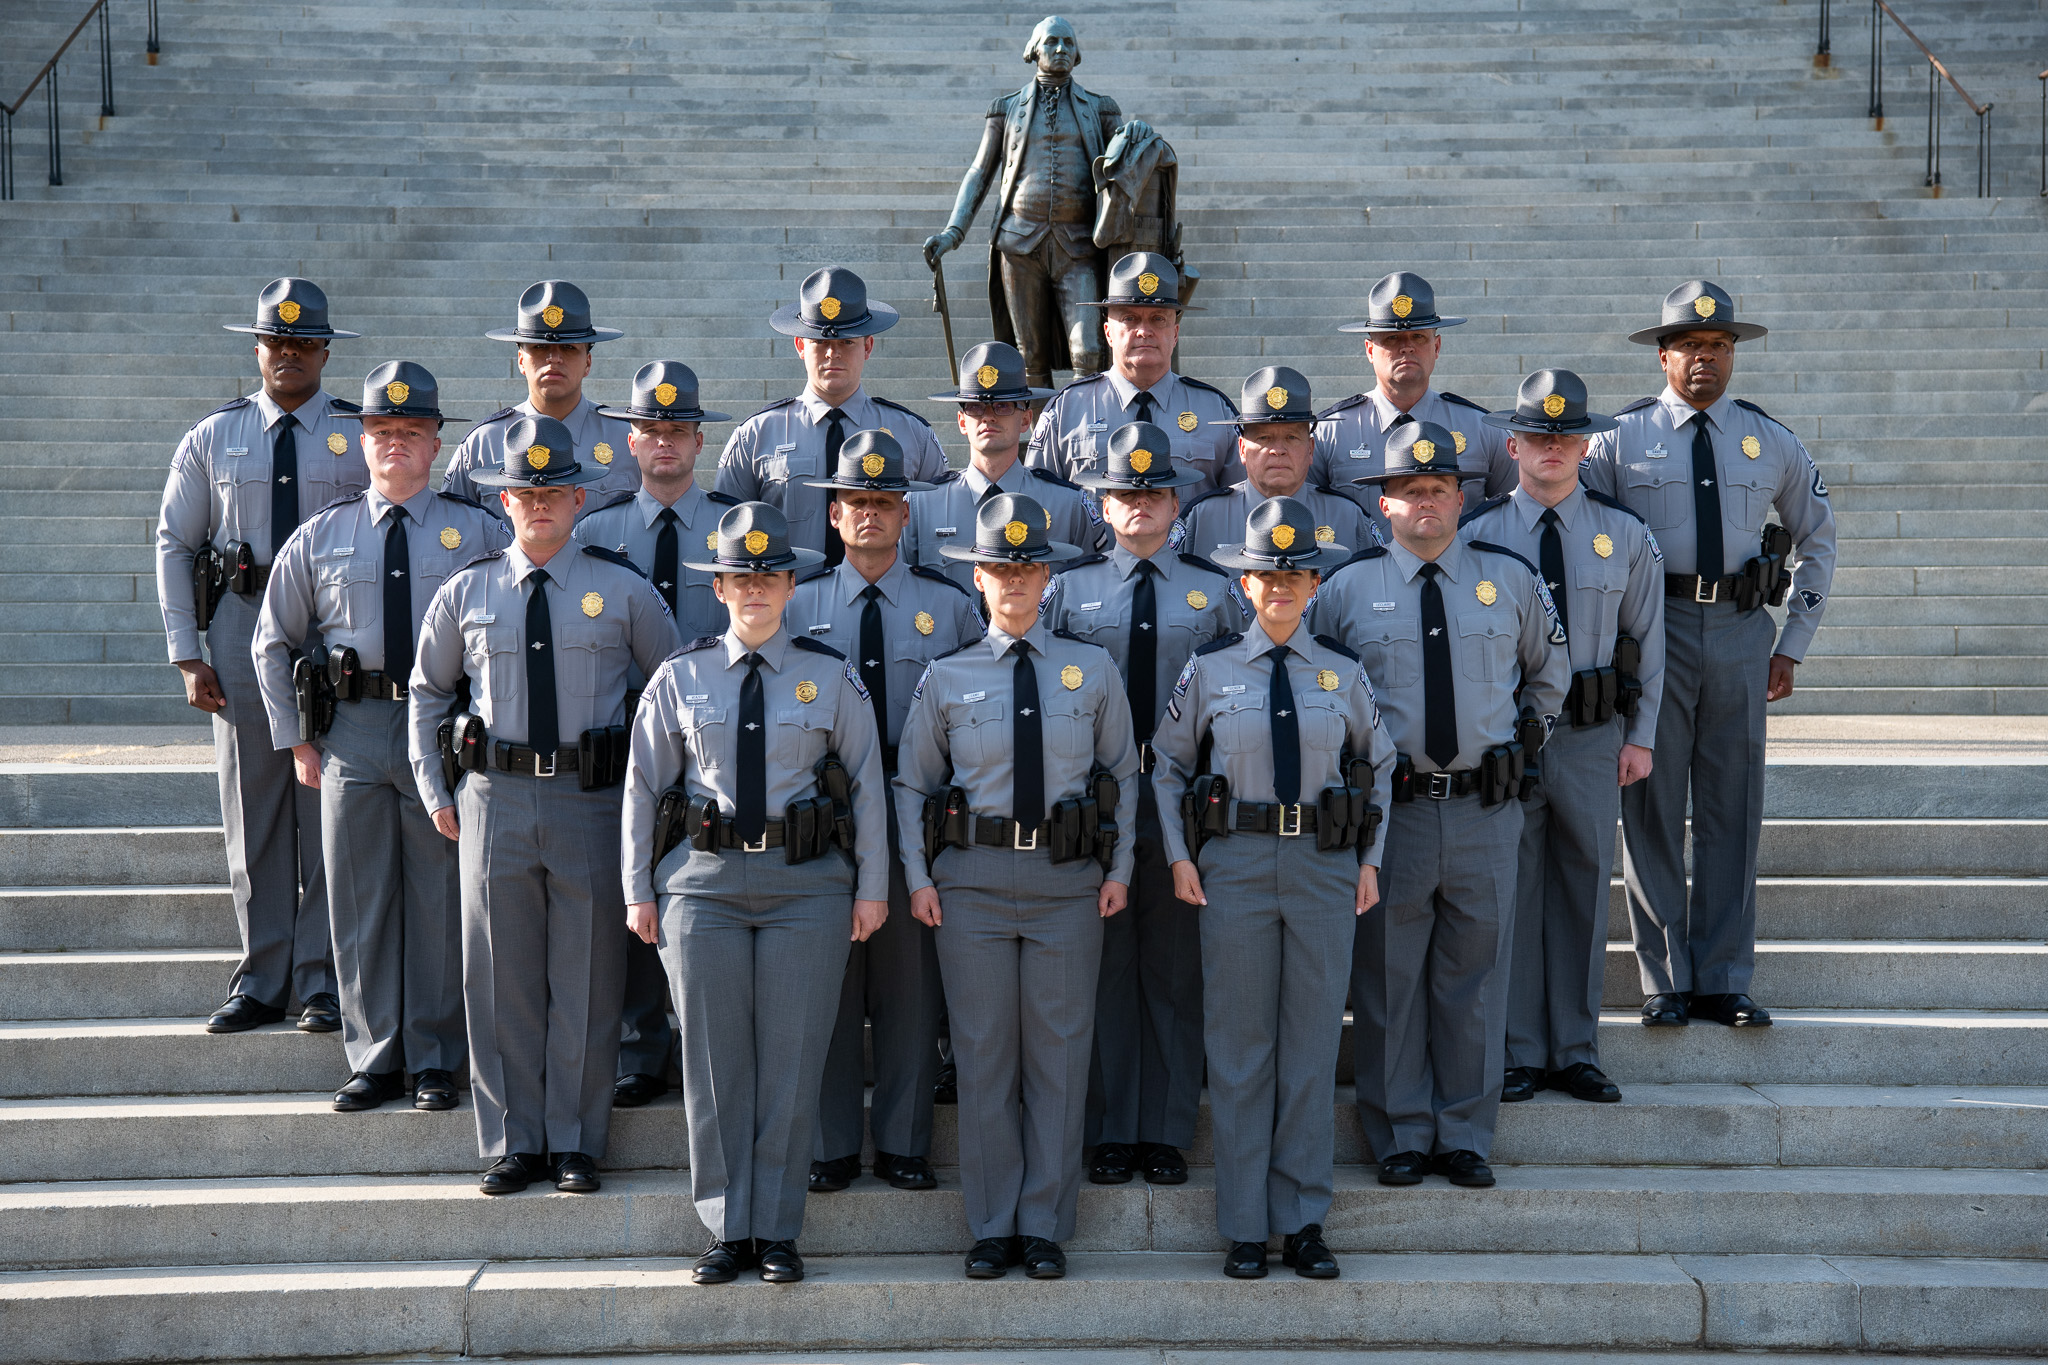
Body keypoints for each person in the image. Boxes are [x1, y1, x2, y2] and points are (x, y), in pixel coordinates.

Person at [407, 415, 681, 1198]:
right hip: (492, 798)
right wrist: (435, 789)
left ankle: (576, 1142)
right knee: (499, 978)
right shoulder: (467, 590)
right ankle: (512, 1141)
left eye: (553, 491)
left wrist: (654, 805)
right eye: (524, 492)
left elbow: (671, 692)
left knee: (587, 978)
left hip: (590, 799)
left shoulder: (623, 588)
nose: (538, 504)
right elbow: (427, 693)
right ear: (502, 500)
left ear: (579, 497)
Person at [621, 501, 890, 1287]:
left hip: (806, 885)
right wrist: (638, 886)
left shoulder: (829, 675)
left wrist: (872, 886)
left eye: (769, 575)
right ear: (720, 586)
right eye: (741, 577)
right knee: (712, 1060)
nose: (755, 590)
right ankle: (725, 1226)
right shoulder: (681, 675)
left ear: (791, 583)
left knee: (793, 1057)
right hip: (701, 887)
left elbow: (868, 787)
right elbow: (643, 788)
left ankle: (776, 1228)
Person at [1310, 420, 1567, 1191]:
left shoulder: (1510, 578)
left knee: (1475, 979)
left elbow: (1548, 671)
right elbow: (1319, 685)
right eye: (1408, 490)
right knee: (1389, 980)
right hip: (1396, 815)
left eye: (1438, 489)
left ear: (1461, 496)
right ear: (1383, 503)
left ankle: (1463, 1131)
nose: (1426, 501)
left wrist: (1524, 745)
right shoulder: (1348, 588)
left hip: (1487, 811)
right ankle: (1397, 1132)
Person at [894, 493, 1139, 1282]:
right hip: (971, 883)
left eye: (1028, 567)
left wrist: (1123, 867)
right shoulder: (948, 675)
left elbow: (1123, 775)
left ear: (1049, 577)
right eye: (1001, 568)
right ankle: (992, 1222)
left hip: (1067, 879)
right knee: (985, 1053)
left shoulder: (1090, 668)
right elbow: (911, 784)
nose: (1015, 582)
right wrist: (916, 875)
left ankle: (1045, 1222)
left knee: (1060, 1057)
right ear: (979, 579)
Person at [1580, 281, 1837, 1029]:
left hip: (1737, 632)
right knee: (1652, 807)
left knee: (1733, 806)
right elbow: (1583, 540)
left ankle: (1725, 975)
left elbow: (1817, 536)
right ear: (1663, 355)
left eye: (1718, 346)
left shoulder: (1771, 440)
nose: (1704, 359)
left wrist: (1794, 641)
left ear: (1734, 355)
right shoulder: (1617, 439)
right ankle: (1664, 977)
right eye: (1690, 346)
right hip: (1653, 635)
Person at [253, 362, 506, 1112]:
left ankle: (432, 1056)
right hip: (352, 730)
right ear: (360, 441)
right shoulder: (320, 536)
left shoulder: (480, 531)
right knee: (359, 898)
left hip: (439, 735)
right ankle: (372, 1054)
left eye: (411, 432)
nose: (395, 443)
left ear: (435, 443)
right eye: (381, 431)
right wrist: (298, 739)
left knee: (437, 898)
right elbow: (272, 640)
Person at [1153, 495, 1394, 1281]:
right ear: (1245, 585)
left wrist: (1370, 858)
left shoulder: (1343, 673)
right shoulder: (1211, 671)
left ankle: (1305, 1218)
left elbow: (1381, 765)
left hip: (1325, 864)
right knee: (1241, 1046)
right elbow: (1169, 765)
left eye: (1293, 573)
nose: (1280, 586)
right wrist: (1181, 856)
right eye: (1266, 574)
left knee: (1312, 1043)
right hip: (1237, 865)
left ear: (1314, 583)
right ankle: (1246, 1223)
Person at [156, 276, 360, 1036]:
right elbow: (176, 542)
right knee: (255, 806)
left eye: (304, 342)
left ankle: (322, 976)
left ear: (326, 352)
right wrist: (186, 652)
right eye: (277, 340)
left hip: (331, 631)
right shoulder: (215, 436)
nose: (289, 353)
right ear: (257, 346)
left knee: (327, 807)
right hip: (242, 630)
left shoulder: (357, 431)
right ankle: (262, 974)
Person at [1042, 421, 1240, 1187]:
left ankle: (1165, 1128)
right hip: (1096, 807)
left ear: (1176, 498)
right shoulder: (1069, 588)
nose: (1141, 504)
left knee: (1175, 970)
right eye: (1126, 491)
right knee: (1105, 968)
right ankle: (1111, 1128)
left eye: (1154, 490)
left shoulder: (1215, 588)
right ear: (1103, 500)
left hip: (1185, 806)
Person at [1461, 369, 1666, 1105]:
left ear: (1586, 445)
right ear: (1512, 443)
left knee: (1582, 884)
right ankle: (1516, 1049)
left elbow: (1650, 637)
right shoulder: (1476, 534)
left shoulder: (1624, 534)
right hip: (1509, 740)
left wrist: (1639, 736)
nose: (1552, 447)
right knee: (1511, 888)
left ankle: (1576, 1048)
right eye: (1538, 436)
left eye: (1566, 436)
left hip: (1588, 735)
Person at [788, 431, 982, 1196]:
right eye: (854, 503)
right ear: (833, 515)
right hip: (825, 819)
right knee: (830, 984)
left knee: (908, 987)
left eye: (882, 503)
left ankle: (904, 1140)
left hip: (919, 815)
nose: (868, 515)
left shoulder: (951, 606)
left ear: (905, 514)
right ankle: (833, 1142)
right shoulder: (796, 603)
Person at [573, 360, 737, 1108]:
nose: (664, 442)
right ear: (629, 441)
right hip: (624, 738)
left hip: (716, 746)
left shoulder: (737, 525)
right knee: (632, 892)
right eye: (650, 430)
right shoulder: (595, 530)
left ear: (700, 440)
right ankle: (641, 1047)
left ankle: (706, 1041)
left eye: (678, 430)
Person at [921, 15, 1153, 390]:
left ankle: (1088, 433)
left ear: (1077, 55)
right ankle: (1040, 441)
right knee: (1029, 354)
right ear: (1032, 50)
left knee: (1089, 349)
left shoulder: (1101, 108)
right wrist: (953, 232)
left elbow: (1123, 160)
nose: (1060, 49)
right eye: (1051, 42)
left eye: (1068, 43)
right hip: (1018, 243)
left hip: (1078, 246)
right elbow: (979, 172)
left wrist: (1135, 134)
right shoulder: (1006, 108)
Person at [715, 266, 947, 564]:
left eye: (847, 342)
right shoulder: (756, 435)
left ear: (868, 346)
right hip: (788, 605)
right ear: (800, 345)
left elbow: (939, 525)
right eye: (820, 342)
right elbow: (728, 535)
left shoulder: (912, 434)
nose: (832, 353)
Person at [1311, 271, 1513, 536]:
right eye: (1392, 339)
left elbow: (1515, 510)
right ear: (1370, 350)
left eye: (1418, 337)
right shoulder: (1331, 433)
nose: (1406, 348)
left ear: (1437, 346)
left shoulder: (1481, 429)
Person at [1026, 253, 1240, 496]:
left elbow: (1238, 505)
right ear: (1108, 333)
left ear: (1175, 334)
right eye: (1130, 319)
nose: (1144, 331)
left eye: (1158, 319)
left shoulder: (1215, 412)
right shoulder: (1067, 410)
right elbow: (1038, 500)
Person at [907, 341, 1106, 596]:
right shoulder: (921, 506)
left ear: (1025, 419)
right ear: (962, 421)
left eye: (1003, 406)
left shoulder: (1068, 505)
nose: (988, 416)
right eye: (976, 406)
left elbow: (1090, 591)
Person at [441, 280, 637, 510]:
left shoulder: (627, 441)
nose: (554, 358)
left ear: (588, 362)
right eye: (539, 347)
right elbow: (452, 522)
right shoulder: (484, 443)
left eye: (569, 347)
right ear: (521, 361)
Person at [1177, 366, 1380, 563]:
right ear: (1241, 449)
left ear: (1310, 449)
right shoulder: (1201, 519)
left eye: (1291, 437)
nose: (1278, 450)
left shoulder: (1349, 518)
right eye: (1264, 438)